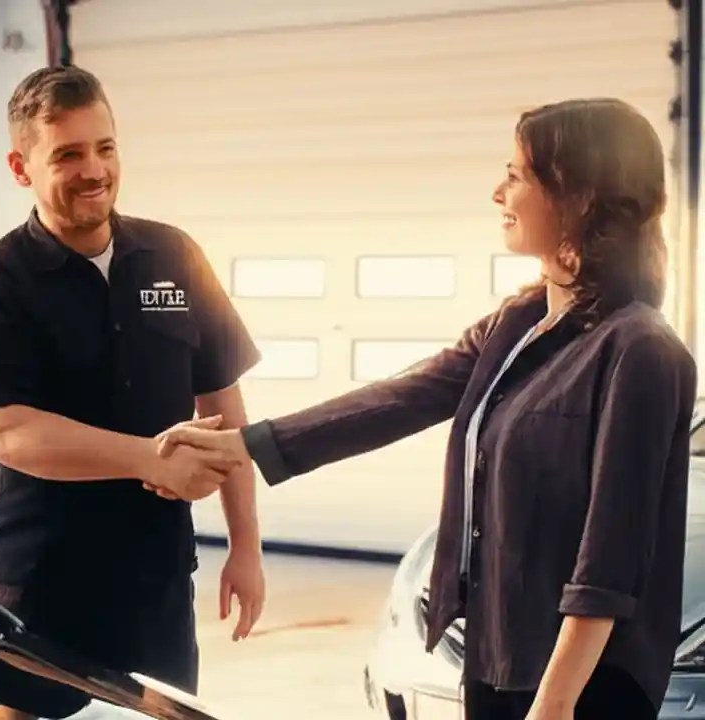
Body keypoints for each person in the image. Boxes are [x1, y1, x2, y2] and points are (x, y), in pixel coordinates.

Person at [153, 98, 697, 720]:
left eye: (518, 174)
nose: (499, 192)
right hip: (499, 658)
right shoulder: (518, 323)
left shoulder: (641, 351)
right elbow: (399, 398)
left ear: (579, 195)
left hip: (580, 684)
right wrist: (246, 445)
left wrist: (556, 704)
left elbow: (610, 560)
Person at [0, 65, 266, 719]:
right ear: (20, 167)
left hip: (158, 574)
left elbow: (224, 408)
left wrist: (246, 546)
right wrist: (150, 458)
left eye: (105, 147)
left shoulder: (175, 256)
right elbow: (12, 433)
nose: (94, 170)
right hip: (44, 578)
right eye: (67, 154)